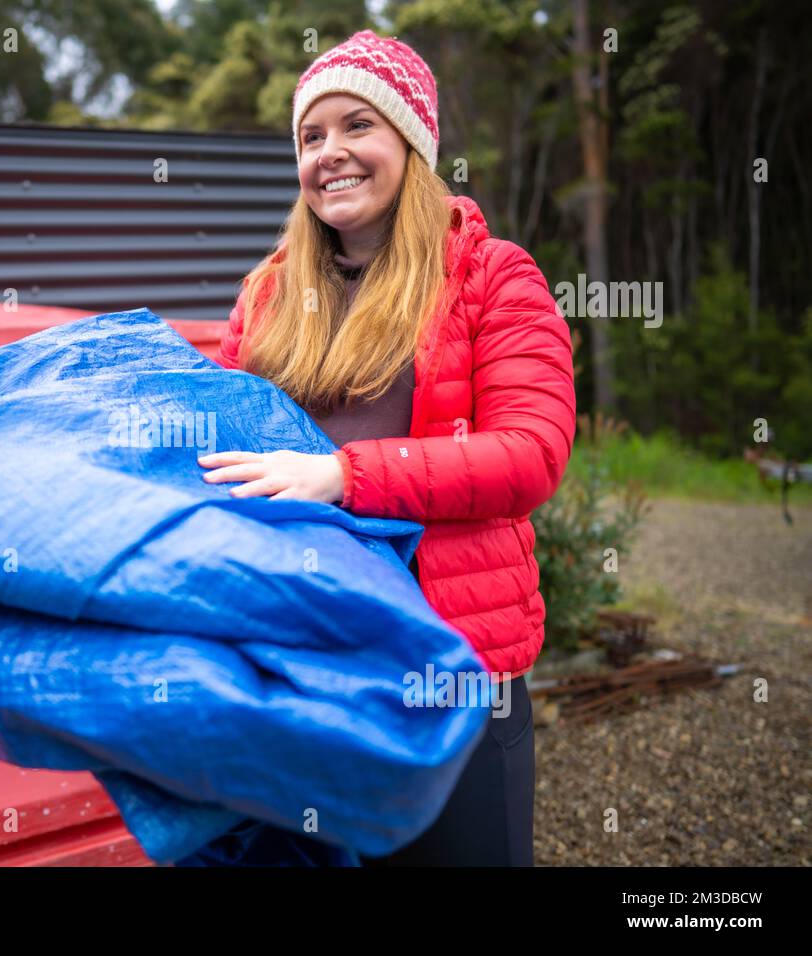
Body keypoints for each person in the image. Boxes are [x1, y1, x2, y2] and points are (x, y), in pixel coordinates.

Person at [198, 30, 577, 866]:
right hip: (306, 668)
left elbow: (530, 454)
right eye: (310, 137)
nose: (330, 153)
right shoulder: (268, 294)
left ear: (411, 142)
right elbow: (216, 443)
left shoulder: (491, 276)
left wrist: (343, 475)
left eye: (357, 126)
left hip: (451, 671)